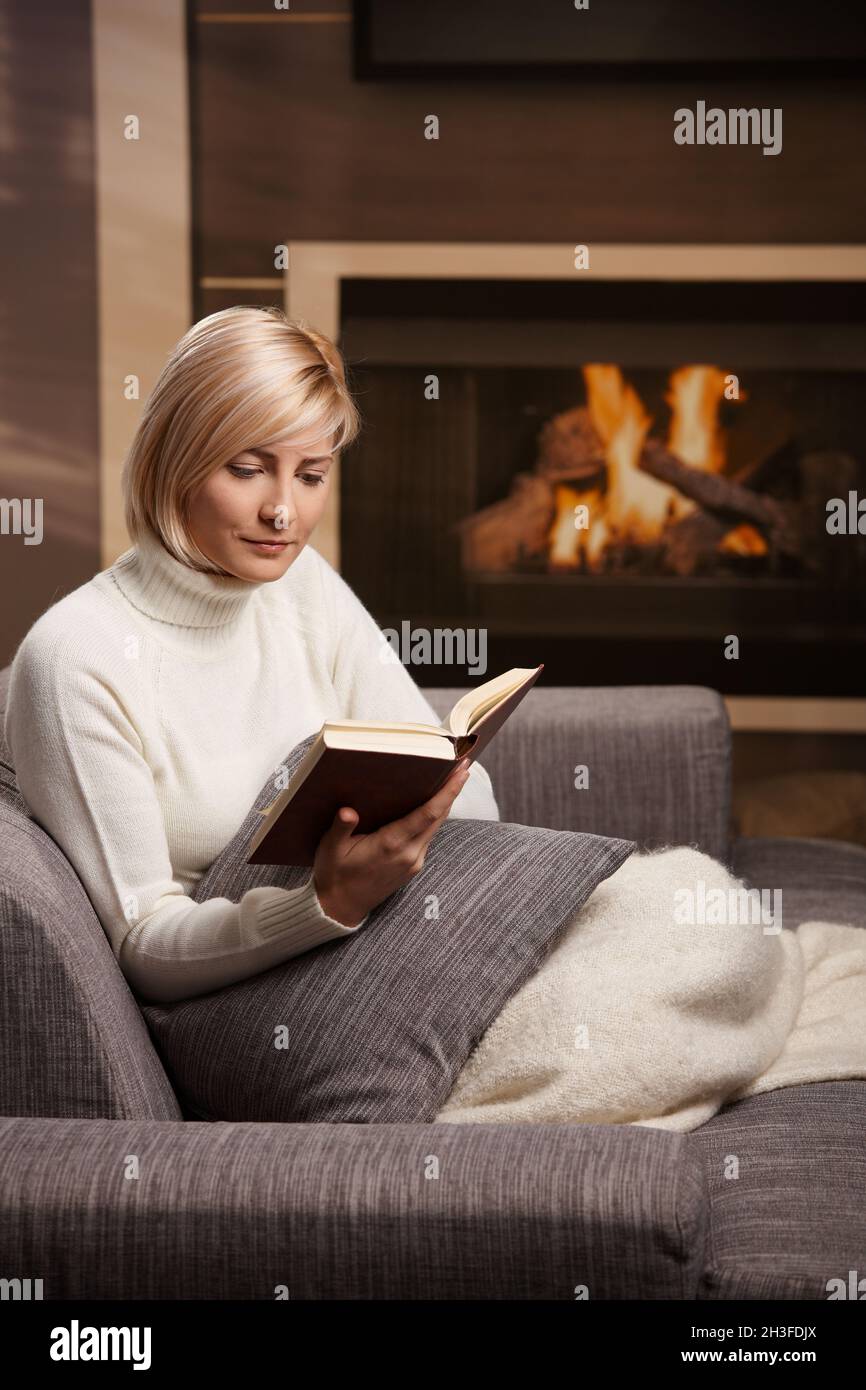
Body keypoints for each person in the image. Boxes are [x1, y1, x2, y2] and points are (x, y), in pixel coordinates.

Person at [4, 306, 500, 1005]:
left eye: (311, 475)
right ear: (171, 464)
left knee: (660, 915)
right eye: (247, 468)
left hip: (398, 944)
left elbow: (460, 780)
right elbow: (143, 942)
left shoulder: (304, 586)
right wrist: (328, 900)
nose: (283, 513)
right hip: (252, 1003)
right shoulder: (76, 657)